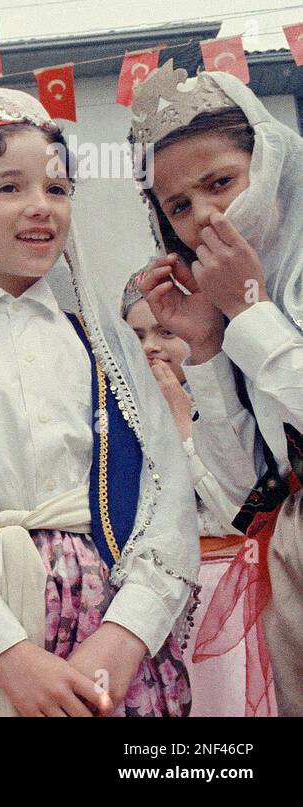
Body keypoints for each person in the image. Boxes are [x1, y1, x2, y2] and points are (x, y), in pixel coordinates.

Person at [0, 88, 199, 717]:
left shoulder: (104, 345)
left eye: (57, 188)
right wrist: (11, 654)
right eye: (9, 188)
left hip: (112, 614)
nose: (40, 209)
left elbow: (167, 495)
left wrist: (126, 634)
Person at [133, 62, 303, 715]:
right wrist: (207, 344)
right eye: (179, 204)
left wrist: (254, 312)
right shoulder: (230, 314)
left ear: (270, 166)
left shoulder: (253, 305)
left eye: (222, 183)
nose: (205, 215)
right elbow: (249, 501)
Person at [122, 270, 262, 716]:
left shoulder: (232, 403)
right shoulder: (119, 418)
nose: (150, 347)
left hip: (233, 590)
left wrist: (184, 428)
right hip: (151, 603)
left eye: (165, 331)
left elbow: (241, 513)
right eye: (137, 334)